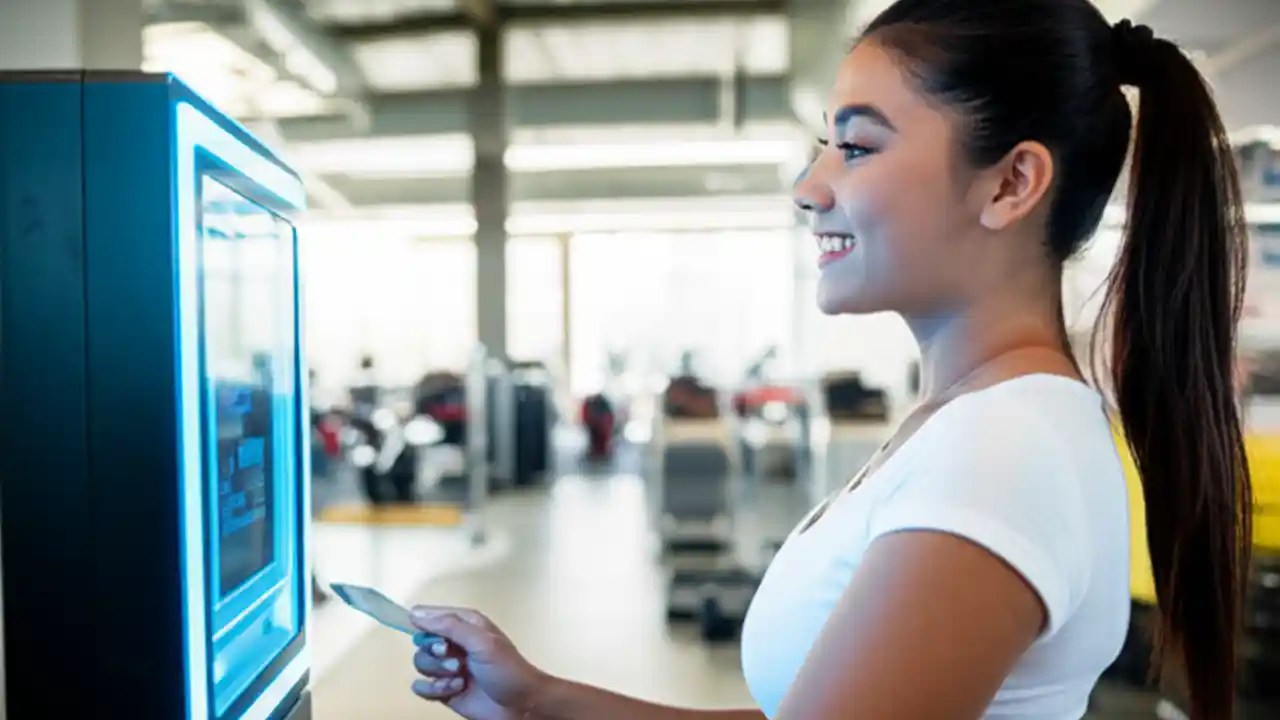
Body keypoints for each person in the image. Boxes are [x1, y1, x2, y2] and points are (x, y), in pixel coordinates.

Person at [405, 1, 1252, 718]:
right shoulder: (972, 425)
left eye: (856, 146)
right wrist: (543, 699)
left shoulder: (1004, 451)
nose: (809, 187)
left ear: (1010, 185)